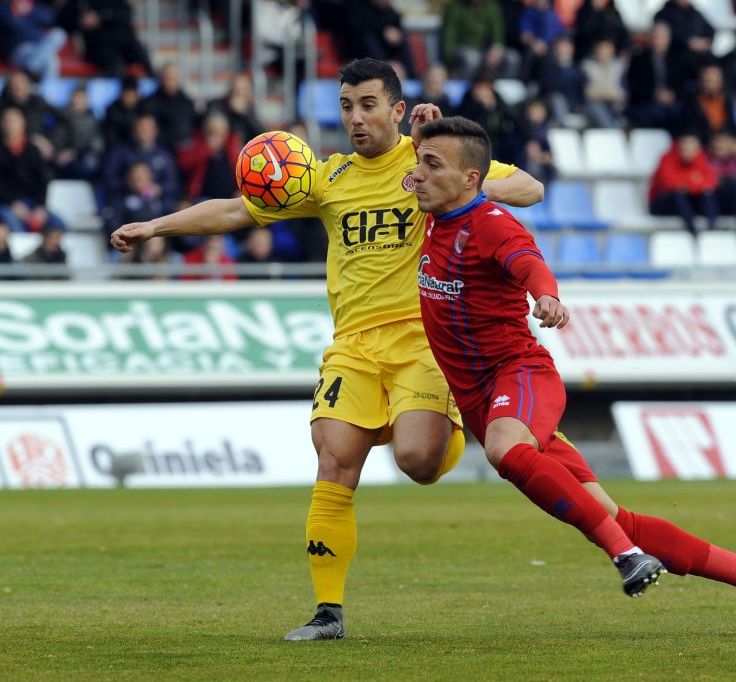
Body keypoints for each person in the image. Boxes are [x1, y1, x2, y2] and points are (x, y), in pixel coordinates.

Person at [109, 58, 543, 641]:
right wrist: (154, 227)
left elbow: (530, 188)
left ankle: (447, 425)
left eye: (368, 105)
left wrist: (447, 175)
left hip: (422, 339)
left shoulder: (430, 163)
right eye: (345, 106)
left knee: (418, 462)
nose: (355, 118)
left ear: (397, 110)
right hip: (353, 348)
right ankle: (328, 613)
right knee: (334, 461)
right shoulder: (326, 177)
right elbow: (235, 210)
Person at [411, 115, 736, 637]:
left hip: (518, 376)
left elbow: (530, 263)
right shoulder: (435, 211)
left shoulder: (492, 223)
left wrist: (547, 295)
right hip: (483, 398)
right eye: (419, 164)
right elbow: (418, 159)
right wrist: (421, 137)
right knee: (611, 514)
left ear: (471, 178)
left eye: (432, 166)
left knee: (504, 449)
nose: (418, 175)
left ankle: (624, 556)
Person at [648, 131, 719, 233]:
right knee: (679, 195)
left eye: (691, 145)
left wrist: (688, 185)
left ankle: (713, 227)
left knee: (707, 194)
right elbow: (670, 183)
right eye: (685, 145)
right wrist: (694, 181)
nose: (687, 148)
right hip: (662, 203)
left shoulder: (701, 159)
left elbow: (711, 181)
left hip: (688, 200)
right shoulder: (667, 158)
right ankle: (693, 230)